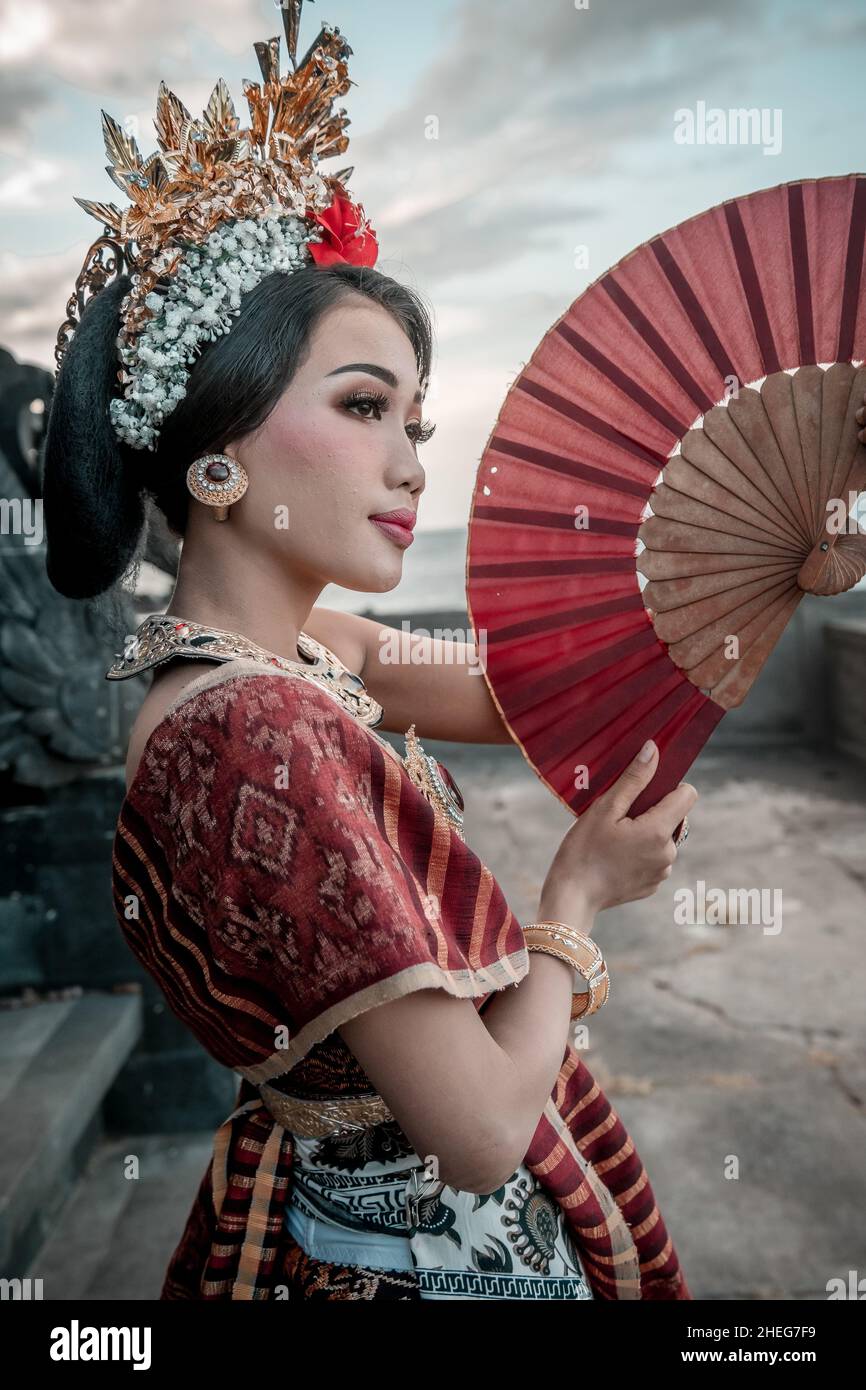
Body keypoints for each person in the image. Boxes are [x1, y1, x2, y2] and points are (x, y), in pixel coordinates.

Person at [41, 5, 697, 1301]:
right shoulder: (255, 730)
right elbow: (479, 1132)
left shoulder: (256, 660)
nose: (412, 461)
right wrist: (574, 902)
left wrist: (732, 568)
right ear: (215, 451)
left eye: (415, 416)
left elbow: (521, 692)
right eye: (361, 407)